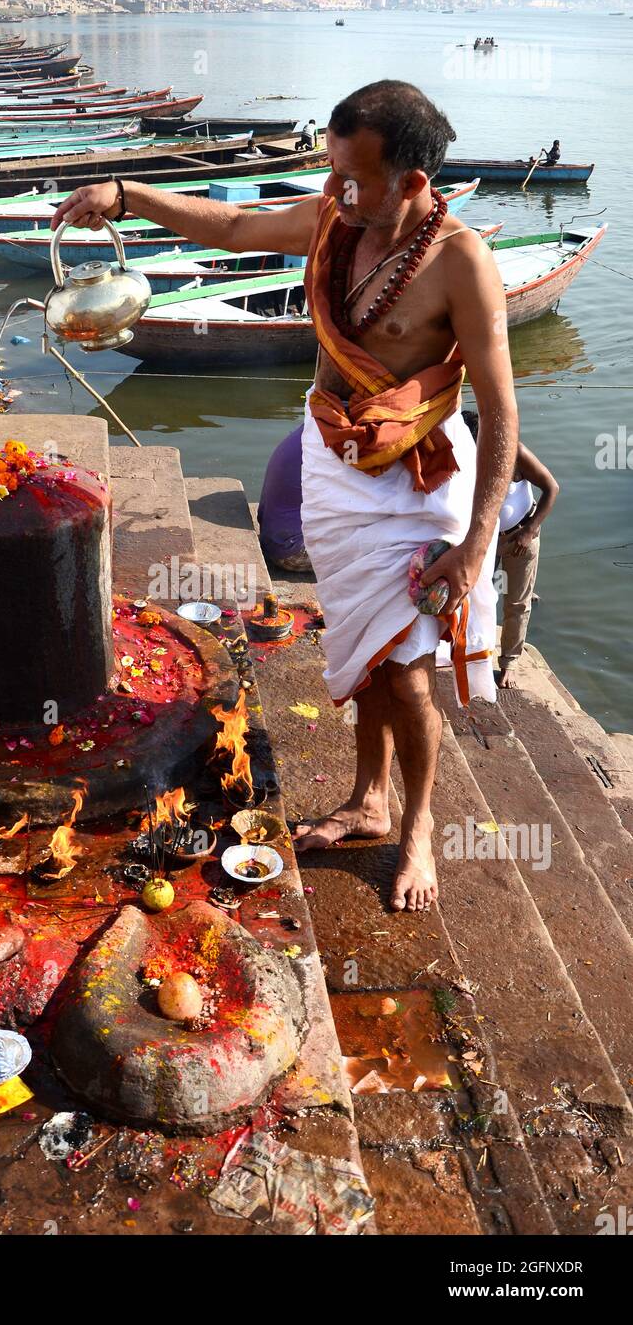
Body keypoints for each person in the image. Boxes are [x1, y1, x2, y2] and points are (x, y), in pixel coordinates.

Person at [51, 80, 519, 913]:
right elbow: (228, 225)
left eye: (355, 178)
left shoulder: (459, 262)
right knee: (367, 654)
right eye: (332, 171)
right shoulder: (333, 220)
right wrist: (125, 193)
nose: (337, 191)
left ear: (411, 183)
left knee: (407, 674)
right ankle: (366, 797)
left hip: (417, 487)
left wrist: (477, 546)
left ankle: (414, 831)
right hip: (335, 471)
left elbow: (503, 410)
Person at [462, 409, 558, 688]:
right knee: (476, 593)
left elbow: (552, 488)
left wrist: (530, 531)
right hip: (487, 539)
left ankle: (509, 664)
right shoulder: (466, 458)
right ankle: (471, 650)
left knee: (517, 602)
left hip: (521, 537)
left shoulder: (514, 452)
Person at [258, 425, 313, 573]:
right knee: (380, 553)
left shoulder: (317, 424)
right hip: (293, 551)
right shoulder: (345, 438)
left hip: (277, 537)